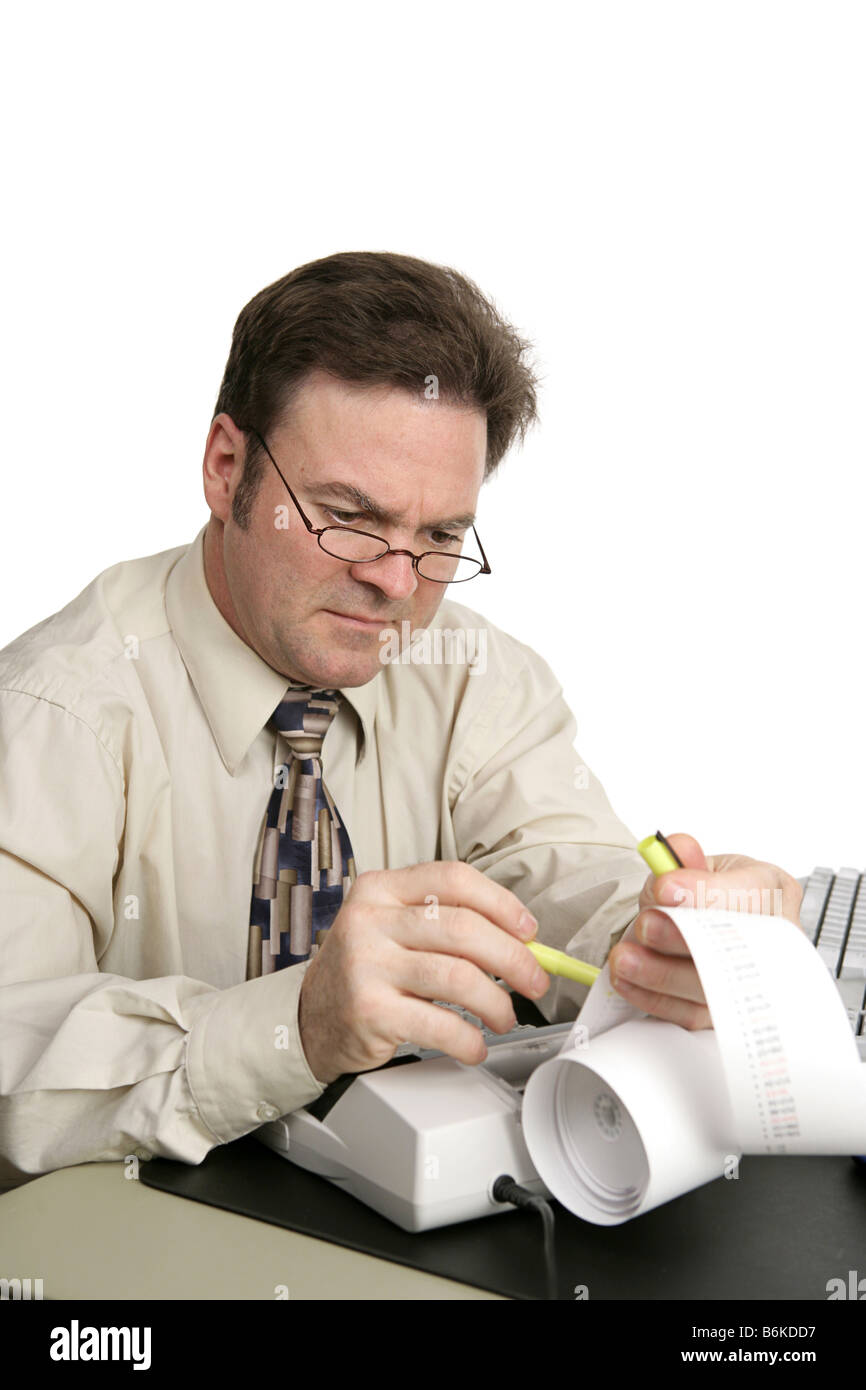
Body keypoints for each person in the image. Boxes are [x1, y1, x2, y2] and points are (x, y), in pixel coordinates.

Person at [0, 251, 802, 1190]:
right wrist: (300, 1025)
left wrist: (667, 942)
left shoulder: (471, 675)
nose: (394, 582)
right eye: (349, 517)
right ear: (227, 470)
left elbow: (567, 873)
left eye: (439, 537)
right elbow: (17, 1066)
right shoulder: (55, 715)